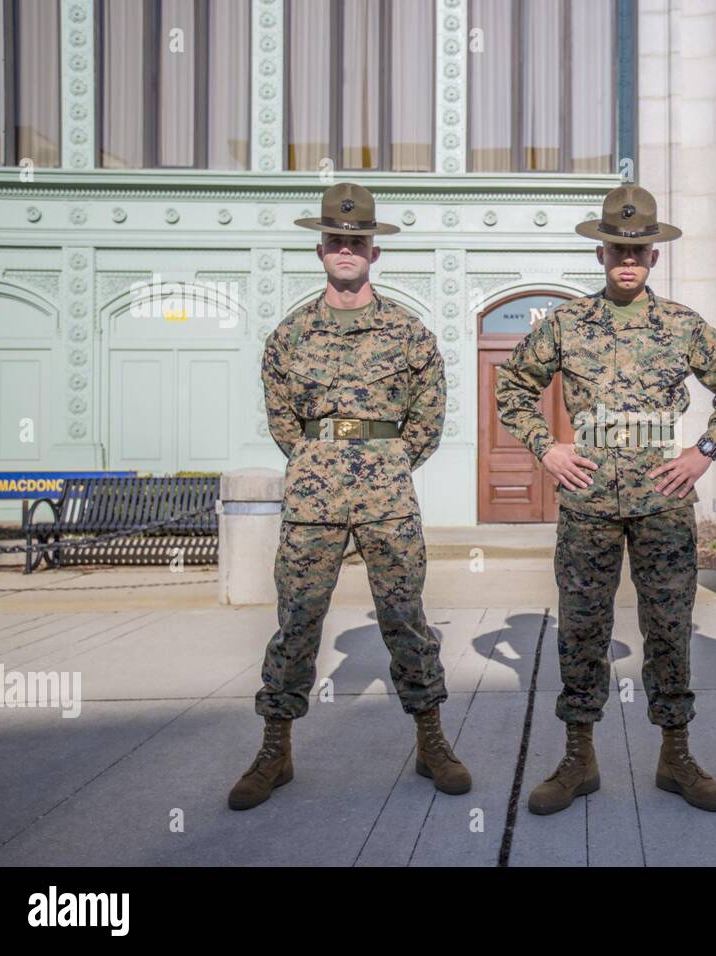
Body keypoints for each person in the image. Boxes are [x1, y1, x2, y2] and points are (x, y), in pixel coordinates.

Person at [495, 184, 716, 815]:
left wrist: (703, 451)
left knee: (668, 629)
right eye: (618, 246)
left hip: (663, 503)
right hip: (587, 502)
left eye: (638, 248)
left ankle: (676, 754)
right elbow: (512, 389)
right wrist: (547, 448)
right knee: (583, 630)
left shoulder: (682, 326)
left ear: (653, 257)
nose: (628, 258)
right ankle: (577, 757)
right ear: (601, 252)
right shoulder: (564, 324)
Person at [228, 182, 470, 811]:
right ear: (320, 249)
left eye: (356, 240)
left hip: (387, 498)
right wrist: (319, 461)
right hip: (312, 499)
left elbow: (428, 419)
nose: (346, 249)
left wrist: (386, 461)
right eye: (336, 239)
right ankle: (275, 750)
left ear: (373, 252)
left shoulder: (408, 332)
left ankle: (431, 741)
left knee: (405, 620)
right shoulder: (290, 334)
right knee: (297, 622)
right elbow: (283, 421)